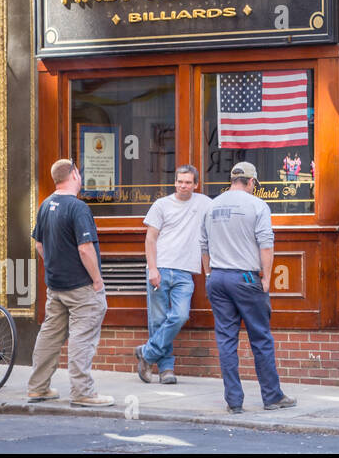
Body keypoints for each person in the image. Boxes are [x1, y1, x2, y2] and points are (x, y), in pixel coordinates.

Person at [201, 161, 296, 413]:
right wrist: (266, 277)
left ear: (232, 180)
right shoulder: (257, 205)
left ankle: (233, 401)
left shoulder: (211, 206)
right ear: (252, 182)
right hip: (245, 278)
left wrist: (210, 274)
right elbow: (266, 244)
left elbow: (203, 245)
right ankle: (272, 396)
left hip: (218, 278)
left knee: (226, 340)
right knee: (261, 338)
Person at [27, 159, 114, 407]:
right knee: (82, 339)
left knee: (50, 336)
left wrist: (57, 265)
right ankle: (83, 392)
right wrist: (97, 280)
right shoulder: (78, 208)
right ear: (74, 174)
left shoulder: (46, 205)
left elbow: (39, 245)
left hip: (56, 286)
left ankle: (38, 387)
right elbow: (86, 249)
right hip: (81, 286)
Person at [133, 164, 212, 385]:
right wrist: (152, 268)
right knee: (158, 321)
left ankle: (146, 353)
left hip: (186, 273)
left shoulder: (204, 203)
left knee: (179, 316)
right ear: (175, 182)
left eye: (188, 182)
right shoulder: (161, 205)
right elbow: (150, 239)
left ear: (196, 184)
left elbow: (218, 220)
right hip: (161, 268)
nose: (183, 186)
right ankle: (166, 370)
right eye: (180, 181)